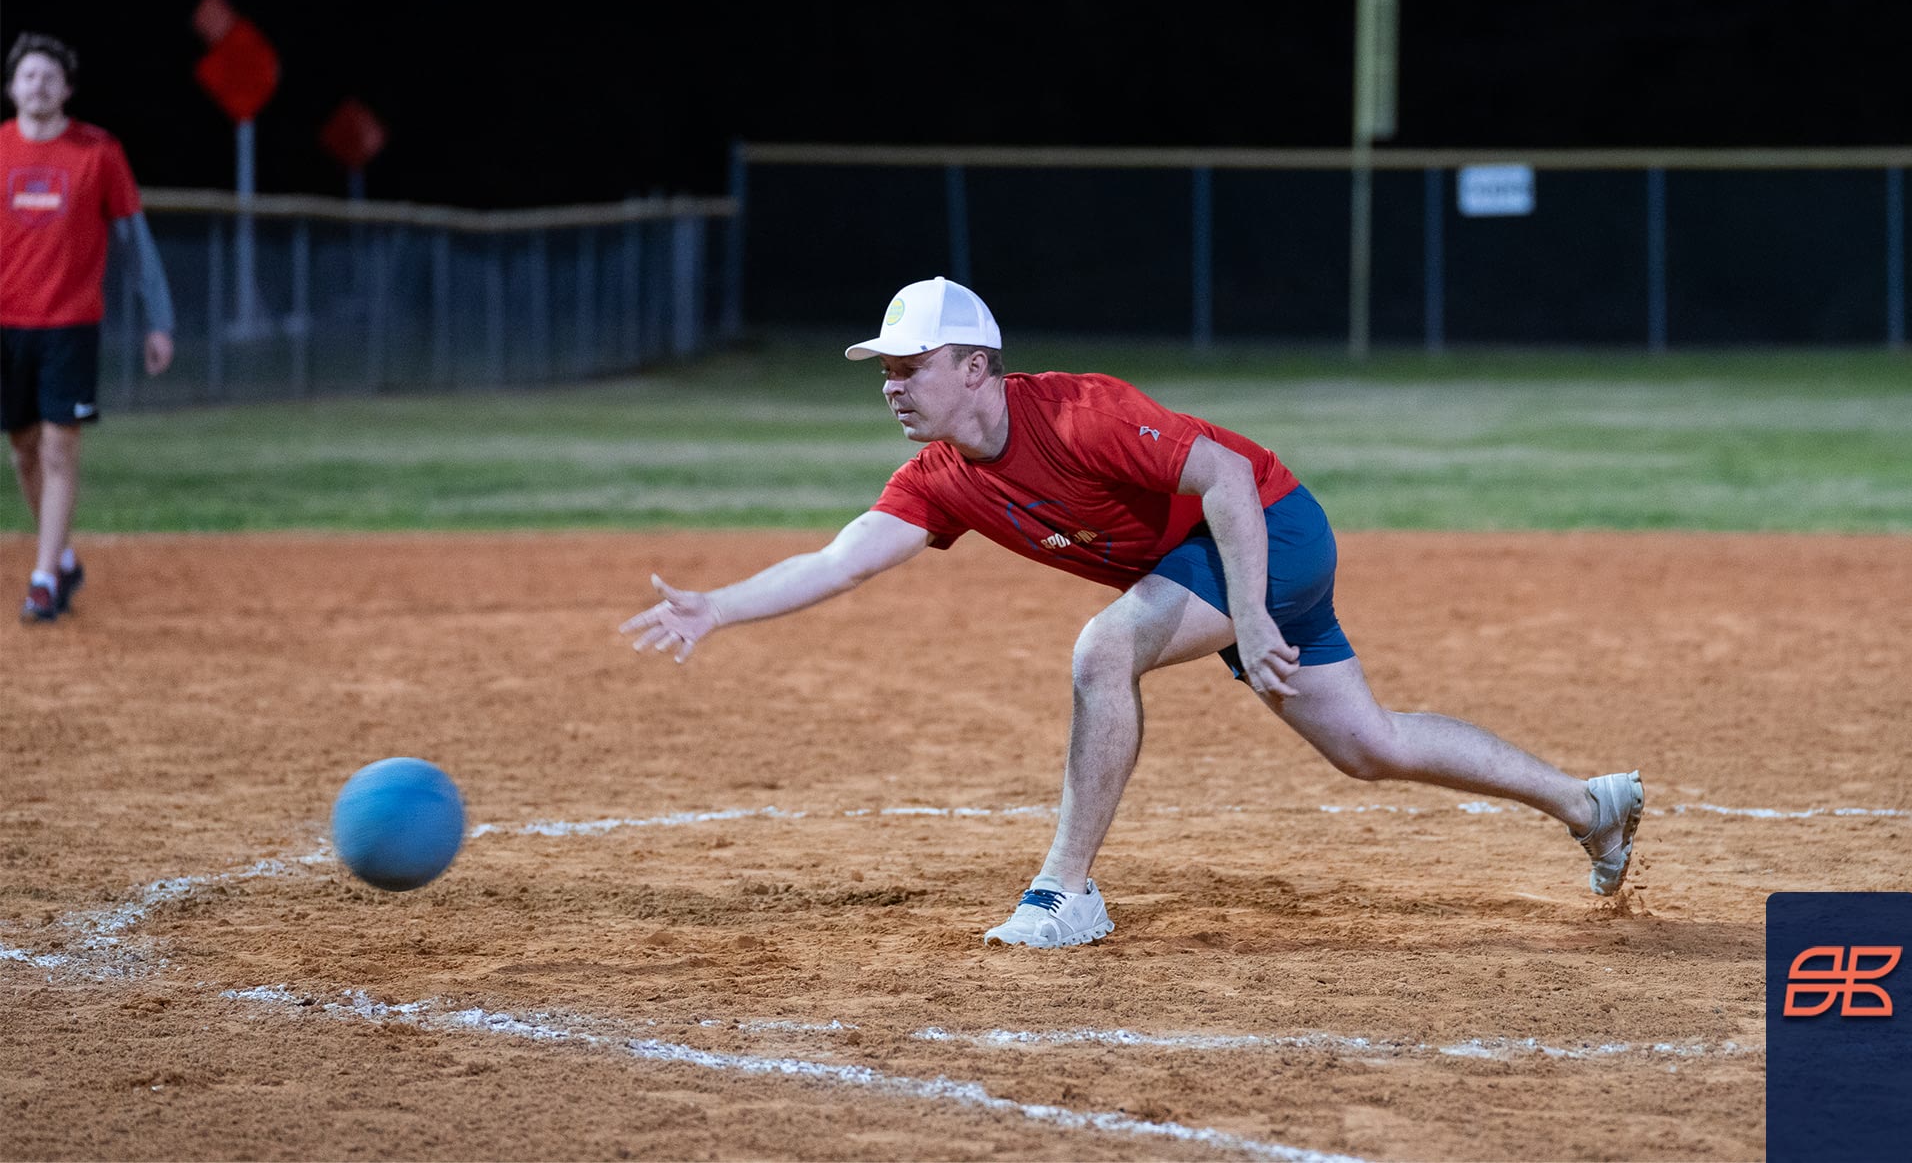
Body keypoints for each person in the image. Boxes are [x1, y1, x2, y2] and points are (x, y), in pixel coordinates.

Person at [621, 277, 1642, 948]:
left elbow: (1231, 477)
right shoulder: (940, 477)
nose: (892, 384)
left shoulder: (1077, 410)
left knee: (1103, 648)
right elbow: (841, 559)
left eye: (910, 365)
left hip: (1268, 533)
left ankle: (1066, 891)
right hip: (1215, 568)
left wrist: (1247, 612)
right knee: (1366, 744)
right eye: (885, 369)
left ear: (974, 364)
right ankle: (1587, 804)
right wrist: (719, 605)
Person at [2, 33, 176, 623]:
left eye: (50, 76)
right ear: (12, 88)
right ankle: (65, 559)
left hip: (70, 325)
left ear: (67, 89)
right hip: (6, 325)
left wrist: (160, 319)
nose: (39, 85)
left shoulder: (98, 152)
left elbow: (133, 239)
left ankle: (44, 578)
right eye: (28, 76)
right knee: (23, 450)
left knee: (58, 447)